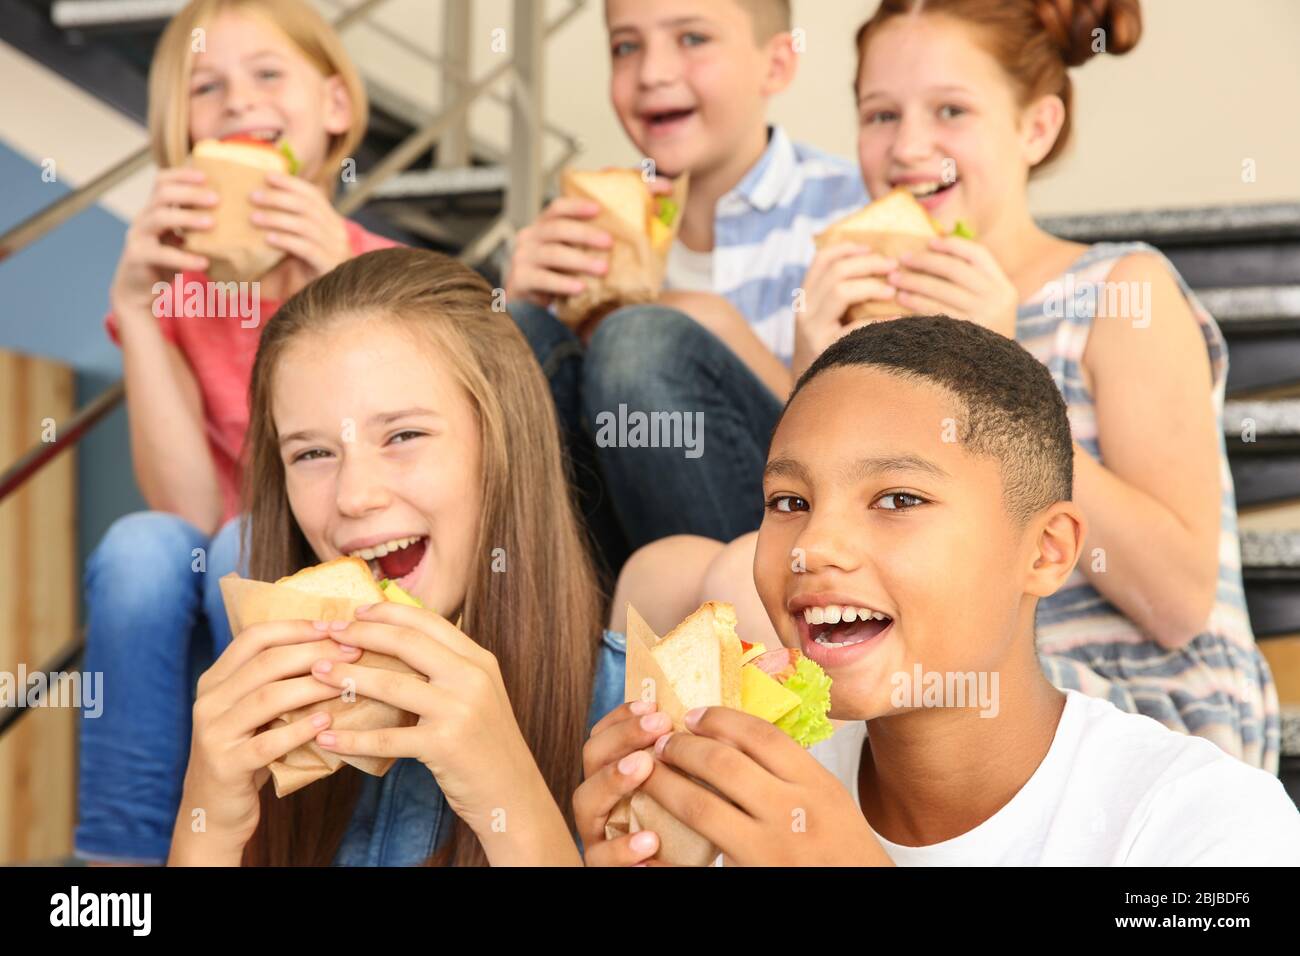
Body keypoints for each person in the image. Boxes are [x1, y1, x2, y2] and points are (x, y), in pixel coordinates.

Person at [613, 0, 1278, 771]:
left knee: (732, 576)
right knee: (657, 574)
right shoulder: (869, 307)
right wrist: (816, 377)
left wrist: (1005, 367)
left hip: (1114, 694)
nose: (909, 146)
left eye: (951, 110)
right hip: (911, 657)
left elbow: (1177, 601)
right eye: (880, 115)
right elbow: (825, 537)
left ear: (1036, 127)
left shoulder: (1120, 291)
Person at [575, 317, 1300, 866]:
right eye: (788, 502)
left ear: (1046, 552)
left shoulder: (1208, 824)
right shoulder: (742, 801)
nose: (812, 548)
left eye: (897, 499)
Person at [169, 248, 624, 866]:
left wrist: (513, 805)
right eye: (311, 454)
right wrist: (207, 836)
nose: (355, 497)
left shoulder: (637, 717)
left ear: (503, 445)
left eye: (404, 436)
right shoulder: (258, 725)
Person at [78, 0, 397, 864]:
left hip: (344, 552)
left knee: (239, 543)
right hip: (222, 543)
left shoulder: (383, 277)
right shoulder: (181, 294)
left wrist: (343, 287)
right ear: (182, 132)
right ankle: (119, 864)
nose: (235, 102)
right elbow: (181, 504)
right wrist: (136, 313)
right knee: (145, 545)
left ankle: (273, 838)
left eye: (266, 75)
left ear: (333, 108)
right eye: (205, 86)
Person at [505, 0, 867, 567]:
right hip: (617, 551)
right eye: (626, 46)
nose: (652, 72)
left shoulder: (853, 217)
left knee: (639, 343)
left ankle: (728, 640)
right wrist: (519, 314)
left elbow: (879, 450)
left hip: (787, 544)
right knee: (515, 337)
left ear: (775, 64)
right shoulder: (589, 224)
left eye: (692, 38)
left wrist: (706, 321)